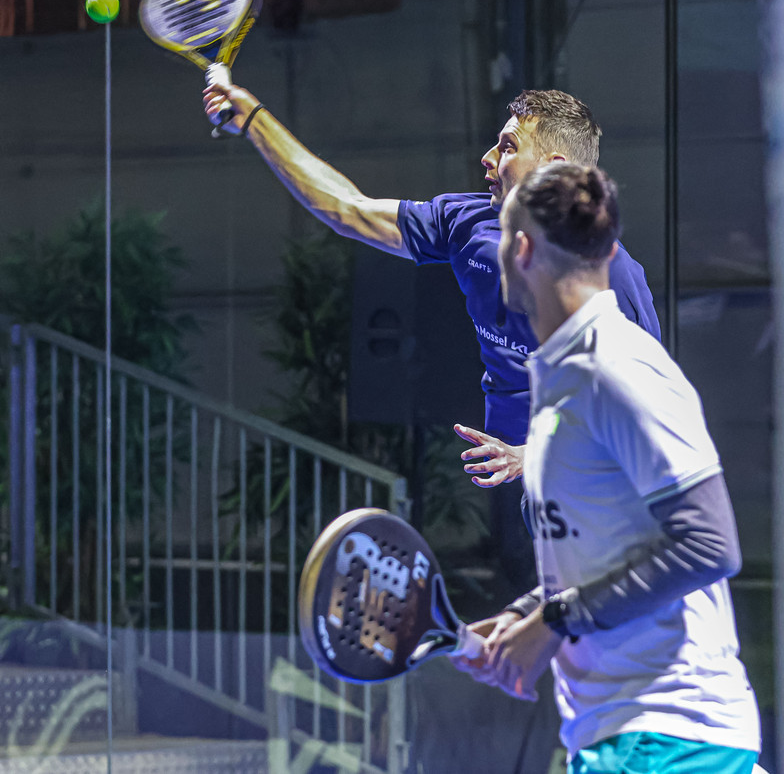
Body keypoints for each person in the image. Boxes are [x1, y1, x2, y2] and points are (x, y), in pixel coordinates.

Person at [203, 83, 660, 586]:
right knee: (558, 619)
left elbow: (640, 420)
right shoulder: (468, 223)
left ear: (552, 168)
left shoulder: (614, 280)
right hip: (514, 475)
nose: (487, 157)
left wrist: (534, 456)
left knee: (598, 613)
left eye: (508, 146)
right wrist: (255, 121)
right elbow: (347, 208)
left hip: (594, 481)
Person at [454, 161, 761, 773]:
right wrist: (528, 614)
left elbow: (710, 544)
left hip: (666, 737)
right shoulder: (568, 374)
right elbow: (610, 547)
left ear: (517, 252)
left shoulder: (615, 364)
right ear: (609, 250)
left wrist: (557, 620)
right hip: (632, 737)